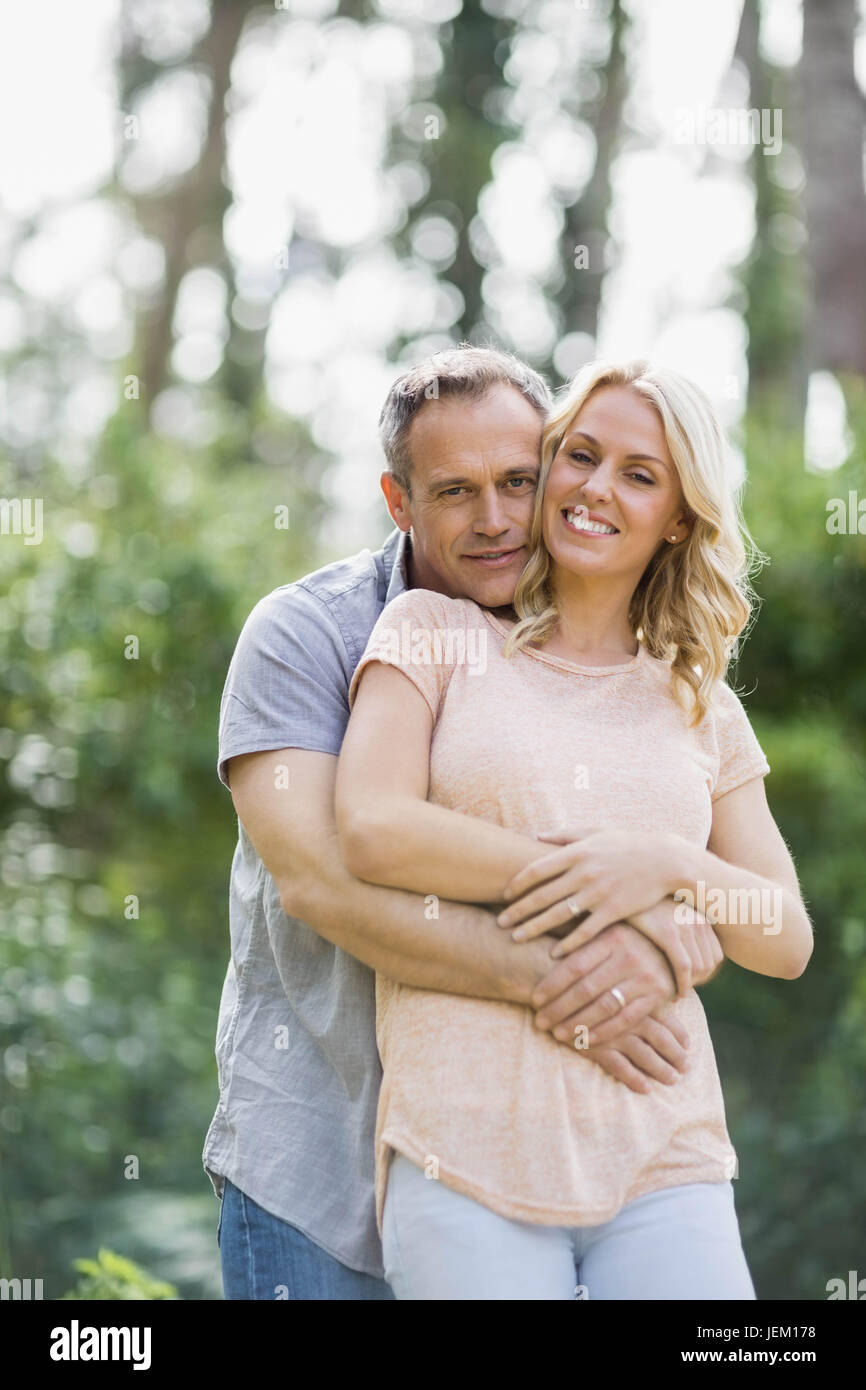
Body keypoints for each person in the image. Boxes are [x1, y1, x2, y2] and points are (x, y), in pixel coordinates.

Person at [204, 347, 721, 1300]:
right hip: (316, 1155)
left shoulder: (595, 648)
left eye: (518, 482)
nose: (493, 521)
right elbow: (324, 884)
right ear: (399, 504)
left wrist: (667, 933)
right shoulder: (304, 634)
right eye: (454, 492)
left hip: (530, 1160)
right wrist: (572, 981)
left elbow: (692, 855)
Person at [335, 357, 814, 1300]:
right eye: (580, 456)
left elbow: (784, 937)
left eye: (639, 474)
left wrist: (666, 863)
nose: (596, 488)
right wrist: (604, 889)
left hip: (665, 1155)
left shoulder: (700, 702)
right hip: (464, 1151)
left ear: (679, 515)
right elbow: (373, 828)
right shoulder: (433, 632)